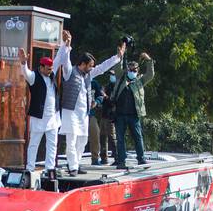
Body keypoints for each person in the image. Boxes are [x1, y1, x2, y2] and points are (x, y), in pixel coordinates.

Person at [55, 29, 120, 175]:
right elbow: (64, 60)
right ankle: (72, 167)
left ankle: (76, 164)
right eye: (90, 65)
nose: (91, 68)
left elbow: (102, 67)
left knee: (83, 141)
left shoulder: (88, 74)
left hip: (83, 113)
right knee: (71, 141)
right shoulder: (69, 72)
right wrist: (67, 45)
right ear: (83, 64)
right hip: (70, 112)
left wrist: (117, 57)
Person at [109, 45, 155, 170]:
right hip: (120, 115)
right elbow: (117, 67)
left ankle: (141, 159)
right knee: (120, 139)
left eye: (135, 70)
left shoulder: (140, 81)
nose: (132, 72)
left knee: (138, 137)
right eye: (130, 69)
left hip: (134, 115)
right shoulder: (120, 78)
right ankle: (121, 161)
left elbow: (150, 74)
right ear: (127, 69)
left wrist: (149, 60)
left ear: (137, 71)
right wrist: (120, 55)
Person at [20, 54, 60, 173]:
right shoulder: (34, 76)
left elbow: (59, 58)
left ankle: (50, 168)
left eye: (51, 69)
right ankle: (30, 168)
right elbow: (25, 73)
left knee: (52, 145)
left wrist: (66, 45)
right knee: (34, 144)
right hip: (39, 117)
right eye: (48, 69)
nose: (50, 71)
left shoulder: (52, 76)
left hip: (53, 117)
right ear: (41, 67)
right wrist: (23, 63)